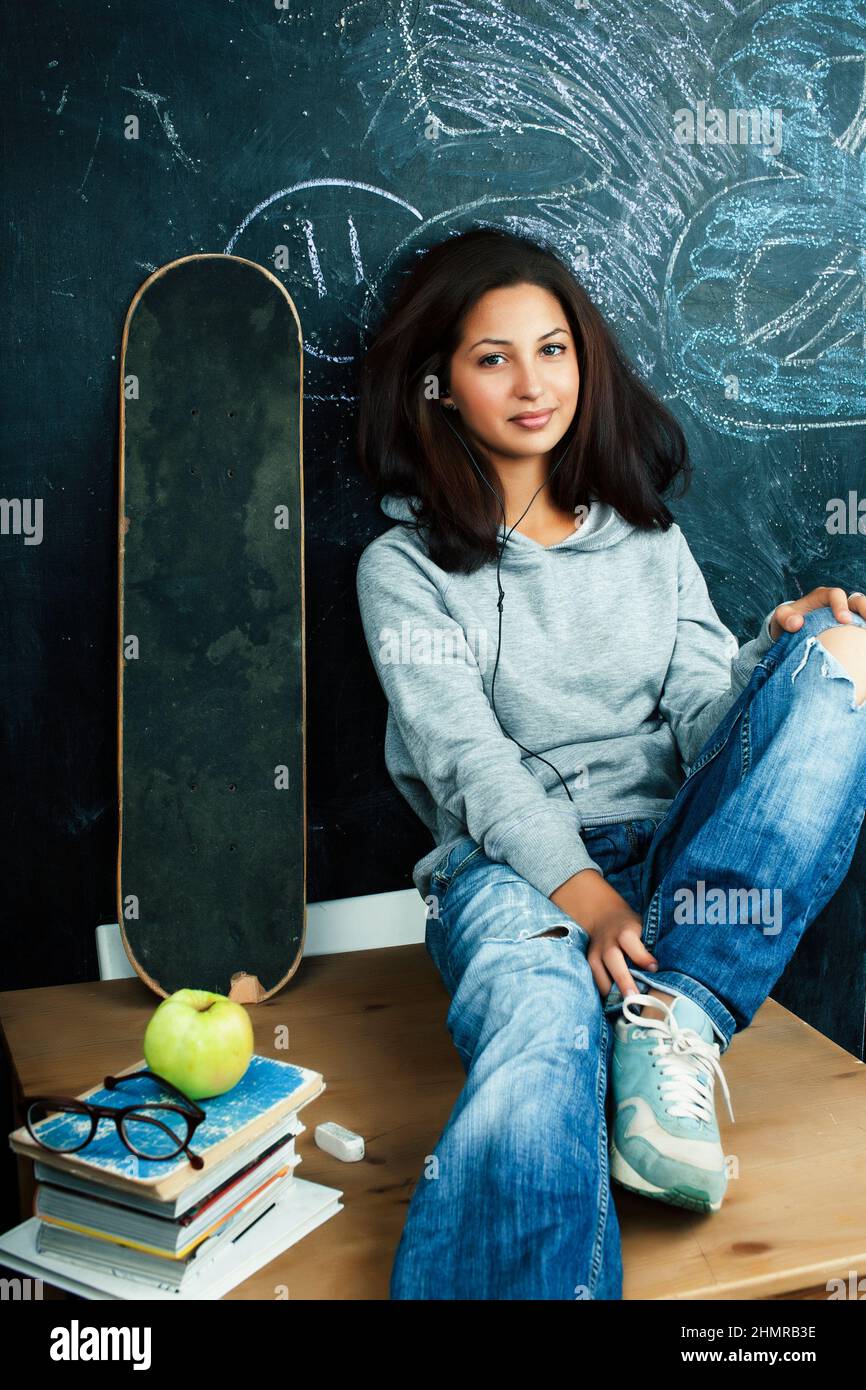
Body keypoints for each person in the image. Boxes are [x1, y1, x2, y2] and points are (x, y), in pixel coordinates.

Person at [353, 226, 866, 1300]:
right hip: (512, 880)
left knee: (844, 655)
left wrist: (772, 656)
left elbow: (693, 723)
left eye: (552, 350)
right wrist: (584, 899)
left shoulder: (646, 535)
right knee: (538, 1021)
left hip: (679, 862)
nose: (532, 384)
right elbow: (468, 767)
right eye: (492, 358)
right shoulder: (403, 567)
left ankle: (673, 1007)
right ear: (439, 385)